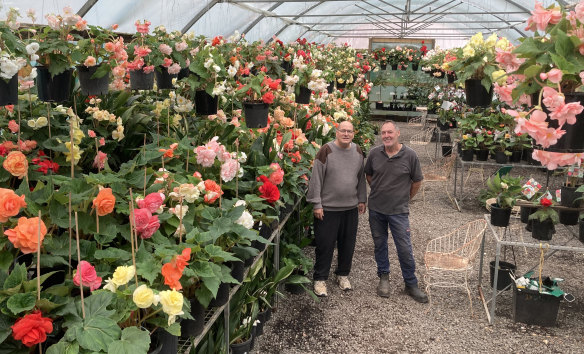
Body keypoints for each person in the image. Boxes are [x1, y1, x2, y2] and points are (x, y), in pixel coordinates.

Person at [364, 120, 428, 303]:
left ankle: (411, 283)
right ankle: (383, 277)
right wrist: (378, 190)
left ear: (398, 133)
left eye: (390, 132)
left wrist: (405, 198)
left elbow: (416, 181)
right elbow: (369, 176)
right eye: (383, 133)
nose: (386, 136)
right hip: (376, 209)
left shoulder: (410, 155)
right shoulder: (375, 154)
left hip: (399, 211)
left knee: (404, 248)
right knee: (380, 245)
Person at [306, 120, 367, 297]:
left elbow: (360, 177)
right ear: (336, 132)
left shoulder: (357, 151)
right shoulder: (326, 151)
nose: (346, 134)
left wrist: (362, 198)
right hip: (328, 208)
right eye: (343, 131)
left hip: (350, 207)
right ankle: (320, 279)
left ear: (353, 134)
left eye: (349, 131)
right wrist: (317, 203)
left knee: (348, 244)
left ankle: (342, 275)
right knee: (325, 244)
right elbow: (316, 179)